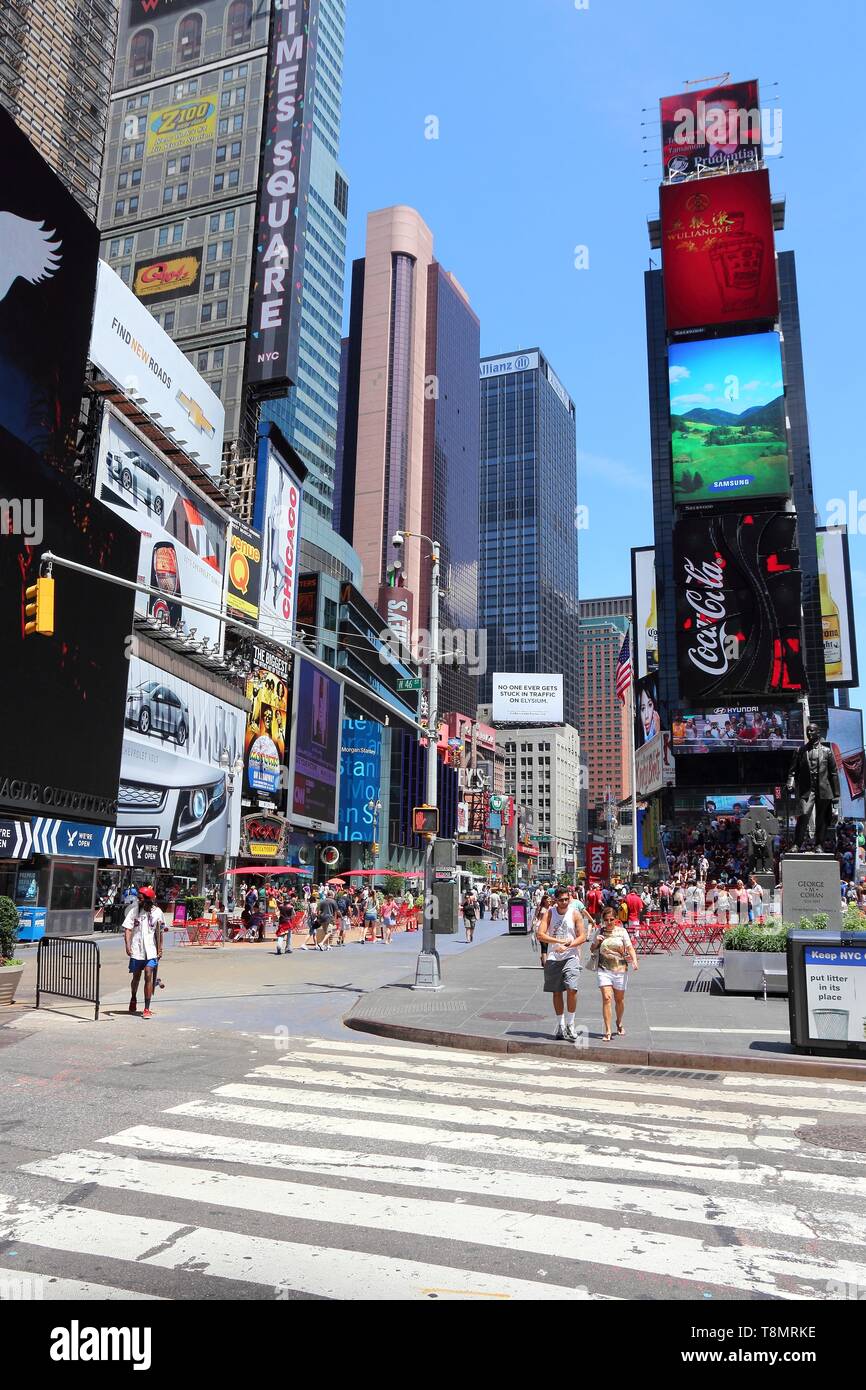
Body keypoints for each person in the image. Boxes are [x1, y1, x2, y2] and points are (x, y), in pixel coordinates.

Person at [536, 886, 589, 1041]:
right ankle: (560, 1024)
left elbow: (582, 936)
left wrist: (568, 945)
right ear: (555, 900)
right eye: (561, 900)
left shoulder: (575, 913)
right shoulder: (549, 913)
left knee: (572, 988)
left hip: (571, 956)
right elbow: (540, 934)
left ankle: (571, 1025)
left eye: (567, 899)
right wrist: (558, 941)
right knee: (557, 991)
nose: (564, 902)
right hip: (553, 957)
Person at [589, 906, 639, 1042]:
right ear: (603, 920)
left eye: (612, 919)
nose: (609, 922)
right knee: (606, 998)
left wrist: (634, 960)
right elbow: (592, 949)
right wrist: (596, 942)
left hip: (620, 970)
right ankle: (607, 1030)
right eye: (606, 920)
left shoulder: (622, 932)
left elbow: (629, 948)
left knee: (619, 1000)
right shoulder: (599, 931)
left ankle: (619, 1022)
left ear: (616, 919)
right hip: (603, 969)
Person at [124, 886, 164, 1019]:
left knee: (148, 974)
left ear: (148, 900)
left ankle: (146, 1008)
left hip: (151, 951)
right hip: (137, 950)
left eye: (140, 899)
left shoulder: (157, 912)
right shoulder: (134, 911)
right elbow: (128, 929)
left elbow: (160, 931)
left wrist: (160, 948)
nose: (138, 900)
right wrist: (128, 945)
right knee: (136, 977)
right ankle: (133, 998)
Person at [532, 891, 551, 965]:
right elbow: (537, 917)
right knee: (544, 946)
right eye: (548, 900)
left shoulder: (550, 908)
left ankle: (543, 958)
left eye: (550, 900)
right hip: (541, 927)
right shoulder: (542, 909)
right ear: (544, 901)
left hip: (547, 927)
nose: (549, 901)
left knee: (546, 945)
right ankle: (545, 963)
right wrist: (533, 925)